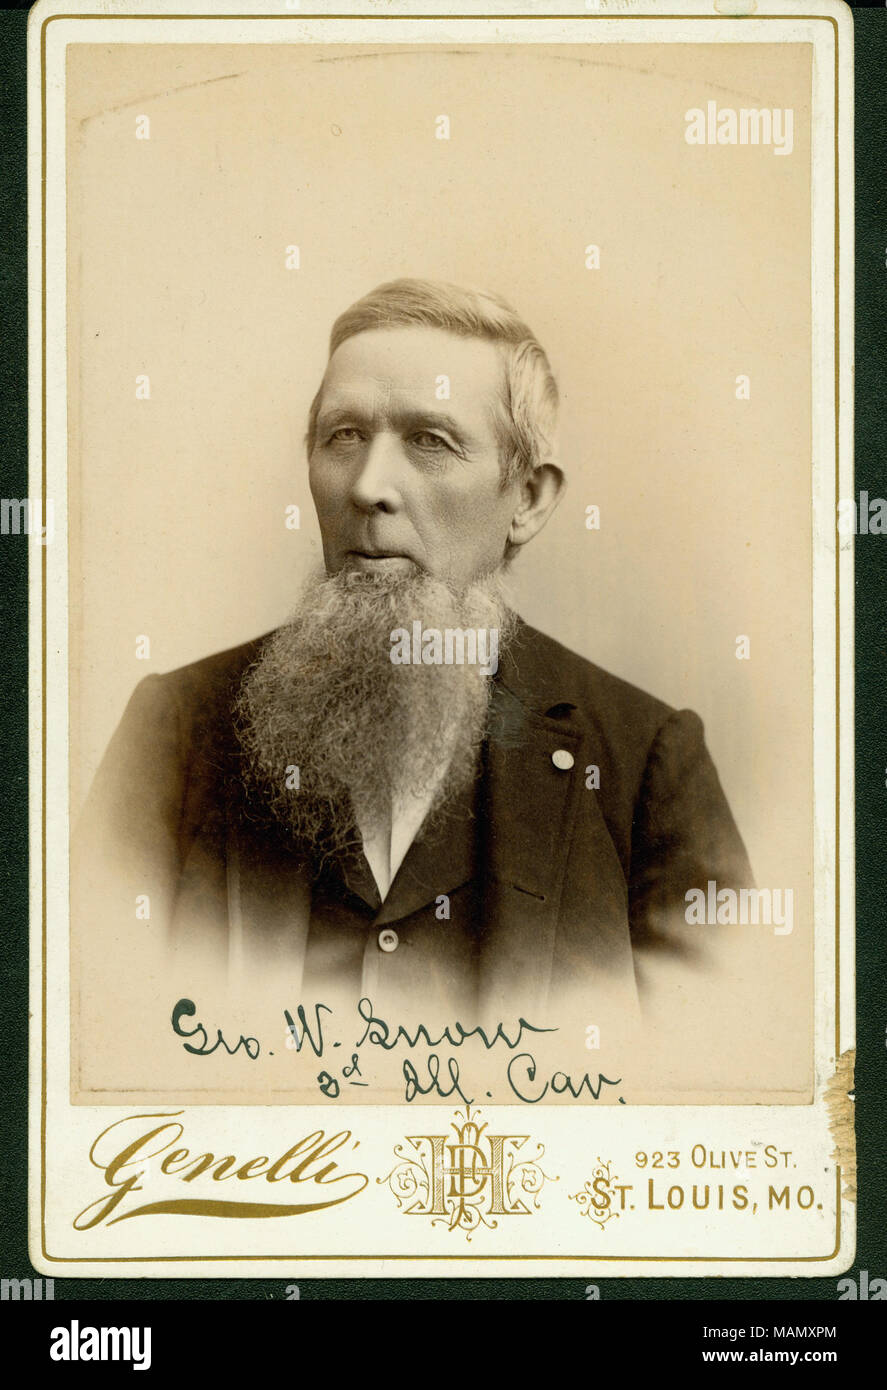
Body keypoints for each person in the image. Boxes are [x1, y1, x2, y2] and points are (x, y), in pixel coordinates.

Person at [75, 278, 752, 1030]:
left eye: (429, 441)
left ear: (526, 498)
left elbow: (713, 1072)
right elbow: (91, 1035)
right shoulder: (176, 731)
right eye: (344, 437)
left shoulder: (643, 764)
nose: (367, 487)